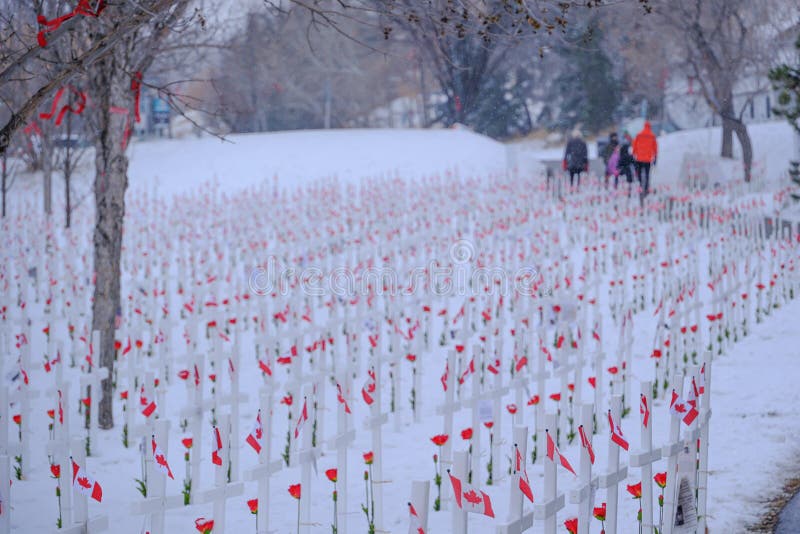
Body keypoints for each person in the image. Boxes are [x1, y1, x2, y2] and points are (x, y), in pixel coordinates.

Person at [632, 121, 658, 200]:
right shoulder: (652, 136)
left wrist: (634, 153)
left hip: (639, 158)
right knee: (647, 173)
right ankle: (646, 187)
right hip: (647, 159)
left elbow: (634, 144)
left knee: (639, 172)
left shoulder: (639, 135)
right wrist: (655, 157)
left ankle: (640, 184)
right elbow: (655, 148)